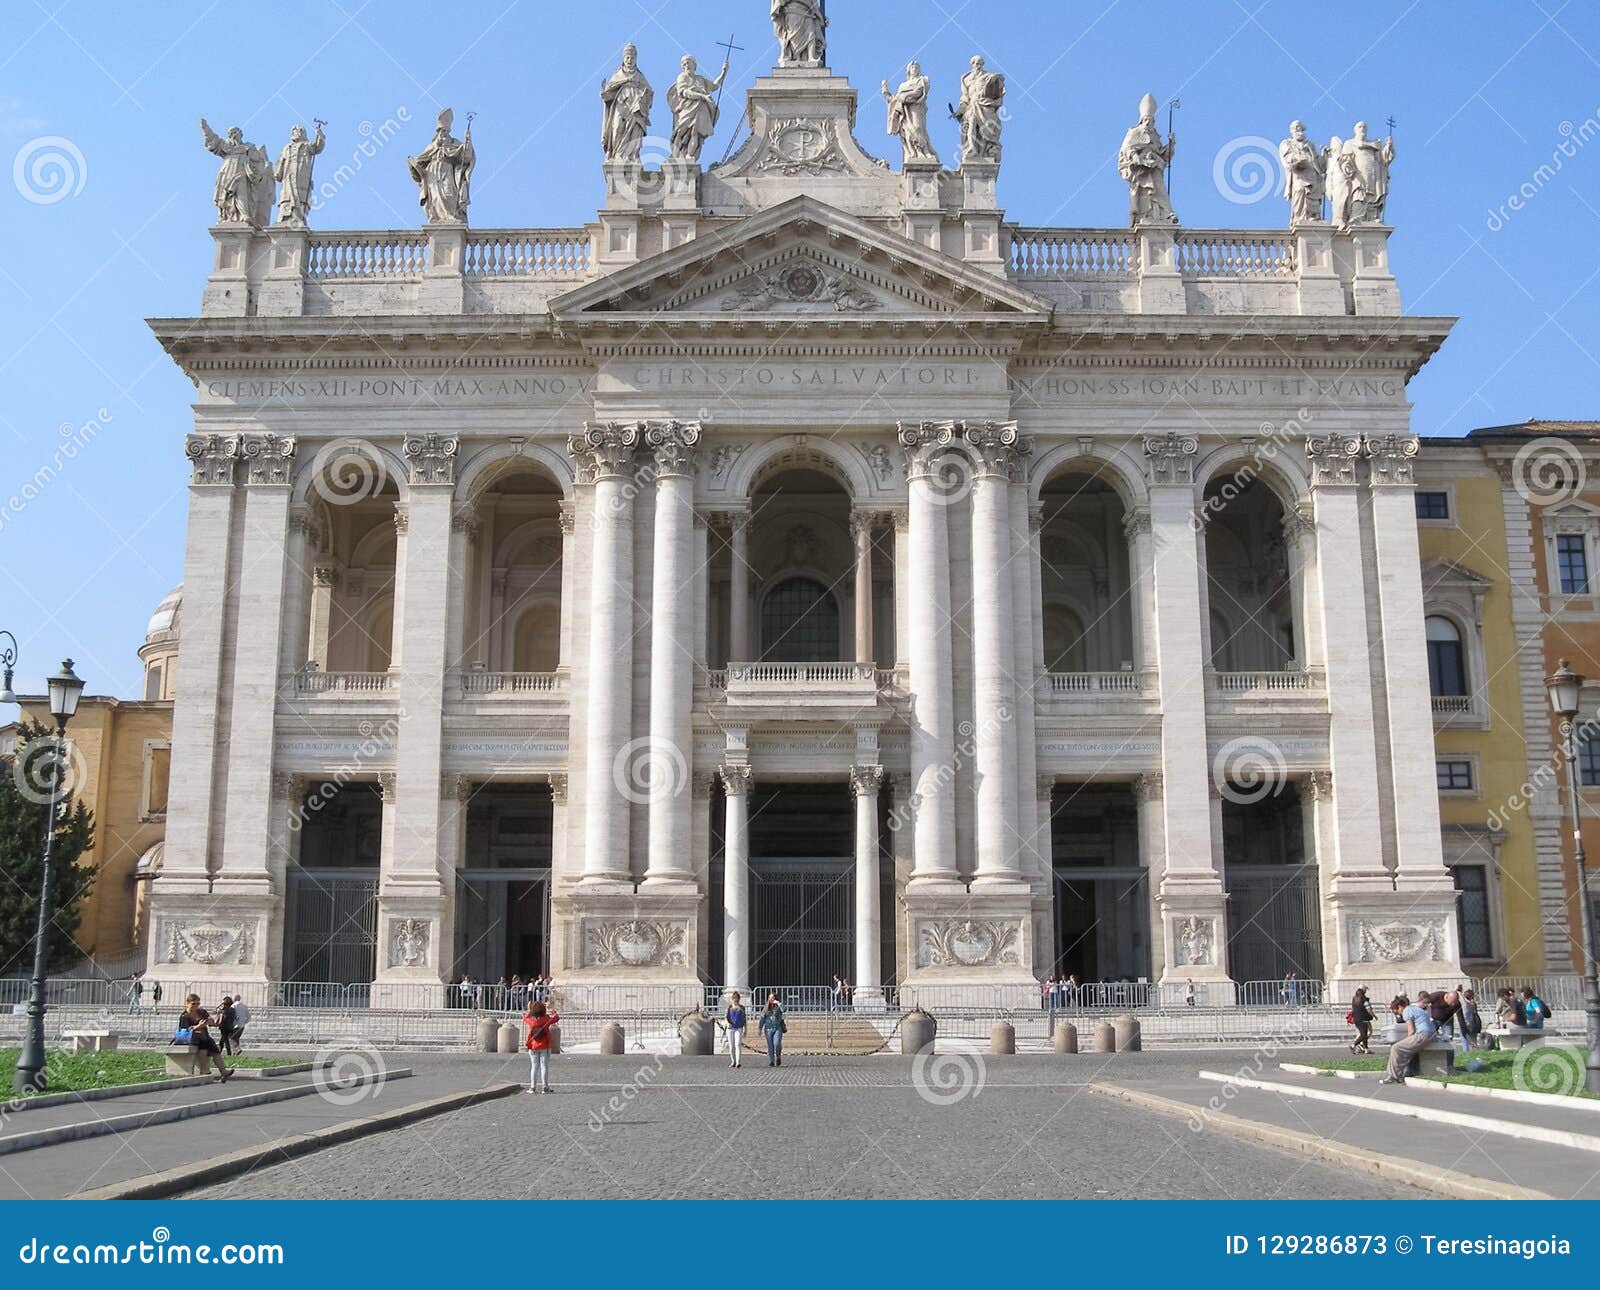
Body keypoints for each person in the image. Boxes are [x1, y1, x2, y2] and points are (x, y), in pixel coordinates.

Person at [1381, 991, 1437, 1084]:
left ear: (1399, 1007)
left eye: (1396, 1011)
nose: (1397, 1014)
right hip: (1431, 1034)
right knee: (1402, 1048)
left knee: (1396, 1048)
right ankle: (1400, 1073)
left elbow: (1411, 1031)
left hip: (1423, 1035)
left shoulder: (1407, 1011)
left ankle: (1394, 1076)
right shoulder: (1415, 1008)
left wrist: (1404, 1041)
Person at [177, 993, 232, 1081]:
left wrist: (216, 1017)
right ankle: (204, 1071)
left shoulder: (201, 1012)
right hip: (192, 1037)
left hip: (204, 1036)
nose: (196, 1006)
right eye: (193, 1004)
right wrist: (198, 1026)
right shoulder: (185, 1016)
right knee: (203, 1048)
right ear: (187, 1003)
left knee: (215, 1050)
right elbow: (186, 1030)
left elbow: (214, 1023)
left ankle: (223, 1071)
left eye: (198, 1004)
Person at [523, 1000, 559, 1093]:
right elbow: (556, 1018)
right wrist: (553, 1010)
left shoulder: (531, 1021)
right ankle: (545, 1087)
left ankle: (532, 1087)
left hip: (533, 1046)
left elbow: (525, 1018)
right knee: (544, 1067)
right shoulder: (546, 1018)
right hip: (545, 1046)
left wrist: (530, 1010)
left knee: (534, 1067)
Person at [761, 994, 787, 1067]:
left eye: (773, 998)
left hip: (777, 1028)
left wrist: (778, 1003)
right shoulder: (766, 1008)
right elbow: (762, 1018)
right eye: (770, 998)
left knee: (777, 1043)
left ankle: (778, 1057)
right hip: (768, 1029)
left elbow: (784, 1010)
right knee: (770, 1046)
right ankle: (771, 1060)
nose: (771, 1000)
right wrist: (760, 1028)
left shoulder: (778, 1007)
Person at [1348, 987, 1374, 1055]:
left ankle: (1366, 1049)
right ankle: (1353, 1045)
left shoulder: (1354, 999)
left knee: (1364, 1034)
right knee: (1363, 1035)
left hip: (1356, 1019)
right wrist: (1374, 1015)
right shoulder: (1364, 1000)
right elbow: (1368, 1009)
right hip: (1363, 1019)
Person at [725, 991, 747, 1069]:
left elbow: (744, 1019)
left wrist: (745, 1029)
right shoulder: (729, 1007)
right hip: (730, 1028)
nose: (735, 1000)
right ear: (732, 999)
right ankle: (733, 1061)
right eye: (734, 999)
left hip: (739, 1028)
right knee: (731, 1046)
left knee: (737, 1044)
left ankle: (738, 1062)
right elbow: (726, 1017)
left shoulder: (742, 1008)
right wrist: (727, 1023)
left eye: (737, 999)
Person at [1458, 988, 1482, 1053]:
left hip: (1466, 1023)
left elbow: (1463, 1000)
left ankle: (1467, 1053)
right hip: (1474, 1023)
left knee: (1465, 1040)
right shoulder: (1473, 1003)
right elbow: (1466, 1000)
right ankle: (1475, 1052)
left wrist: (1460, 993)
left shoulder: (1465, 1004)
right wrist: (1462, 994)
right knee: (1474, 1039)